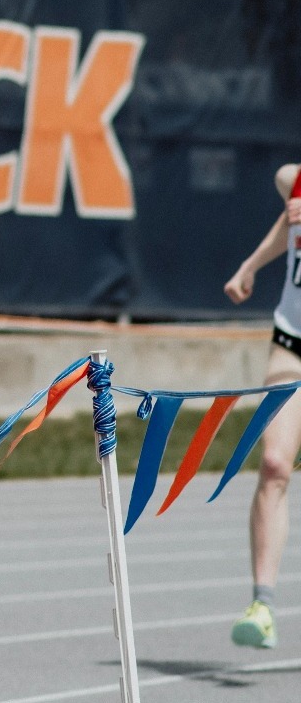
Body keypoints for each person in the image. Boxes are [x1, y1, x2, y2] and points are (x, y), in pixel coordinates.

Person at [222, 162, 301, 649]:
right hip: (291, 342)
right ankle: (263, 605)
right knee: (274, 464)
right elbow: (287, 218)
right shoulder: (292, 178)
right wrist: (250, 266)